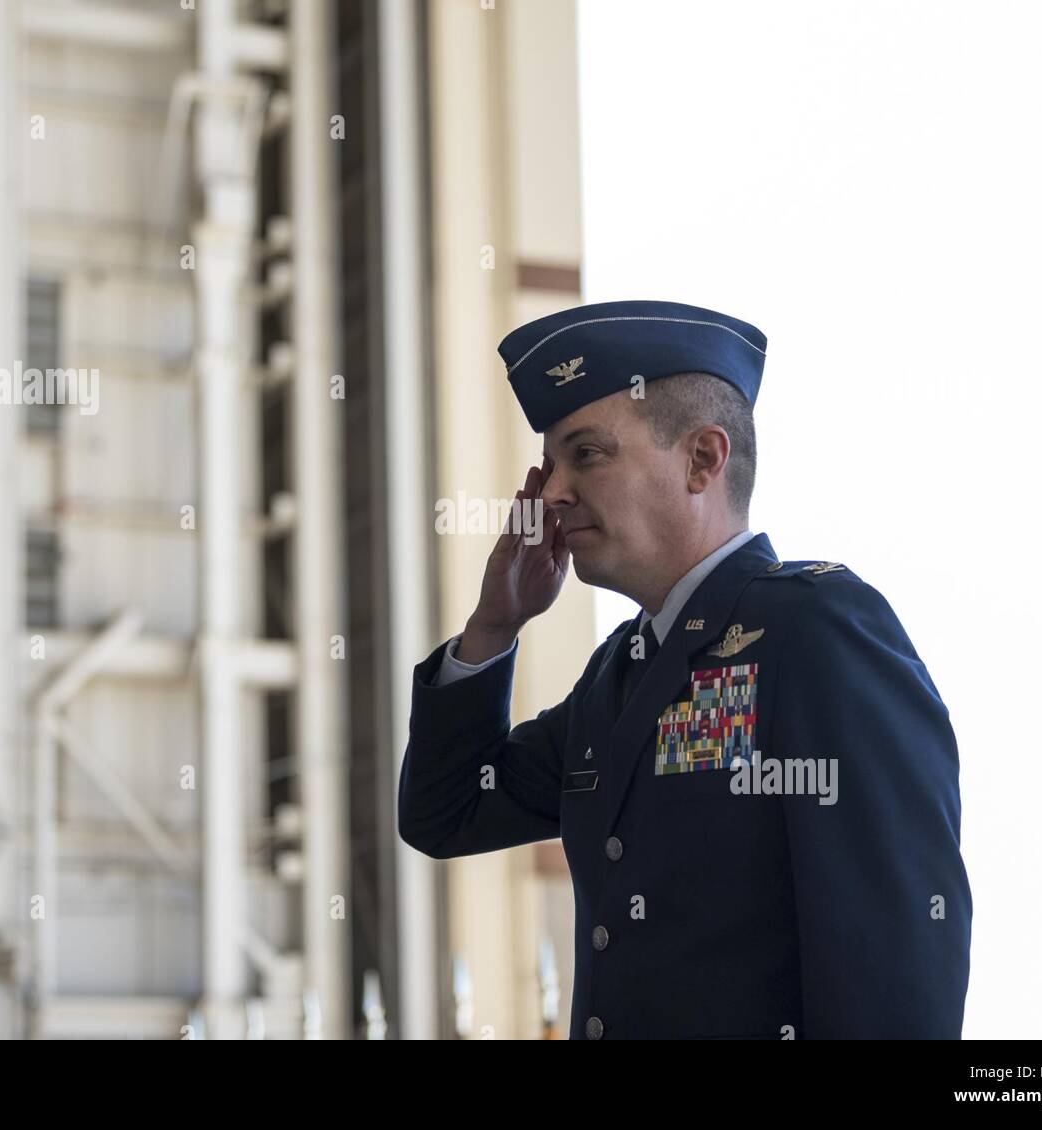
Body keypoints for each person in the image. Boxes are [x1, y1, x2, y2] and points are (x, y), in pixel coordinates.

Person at [398, 299, 973, 1039]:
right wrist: (493, 628)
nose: (553, 493)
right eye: (549, 464)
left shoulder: (816, 631)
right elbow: (447, 814)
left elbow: (896, 966)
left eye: (587, 454)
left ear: (703, 459)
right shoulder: (618, 677)